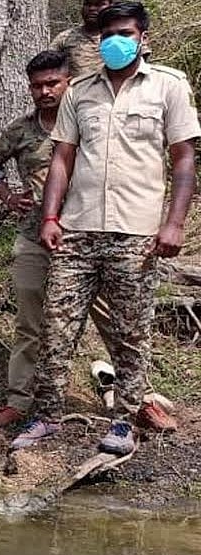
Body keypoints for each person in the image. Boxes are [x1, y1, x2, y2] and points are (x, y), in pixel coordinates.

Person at [13, 2, 199, 454]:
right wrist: (50, 217)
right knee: (56, 328)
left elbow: (183, 160)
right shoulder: (80, 91)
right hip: (77, 229)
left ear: (143, 38)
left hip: (136, 232)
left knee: (131, 332)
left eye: (125, 33)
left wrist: (174, 224)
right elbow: (62, 159)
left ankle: (124, 422)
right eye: (108, 34)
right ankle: (46, 416)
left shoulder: (169, 86)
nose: (115, 41)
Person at [0, 50, 119, 428]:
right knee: (29, 323)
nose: (45, 91)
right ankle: (18, 401)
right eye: (37, 85)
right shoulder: (22, 129)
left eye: (52, 83)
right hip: (34, 238)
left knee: (114, 319)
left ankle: (138, 398)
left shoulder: (92, 122)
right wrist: (8, 197)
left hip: (89, 238)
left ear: (68, 82)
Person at [50, 0, 112, 78]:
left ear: (110, 6)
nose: (92, 8)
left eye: (98, 4)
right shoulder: (65, 38)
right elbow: (48, 67)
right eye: (87, 4)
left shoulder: (117, 37)